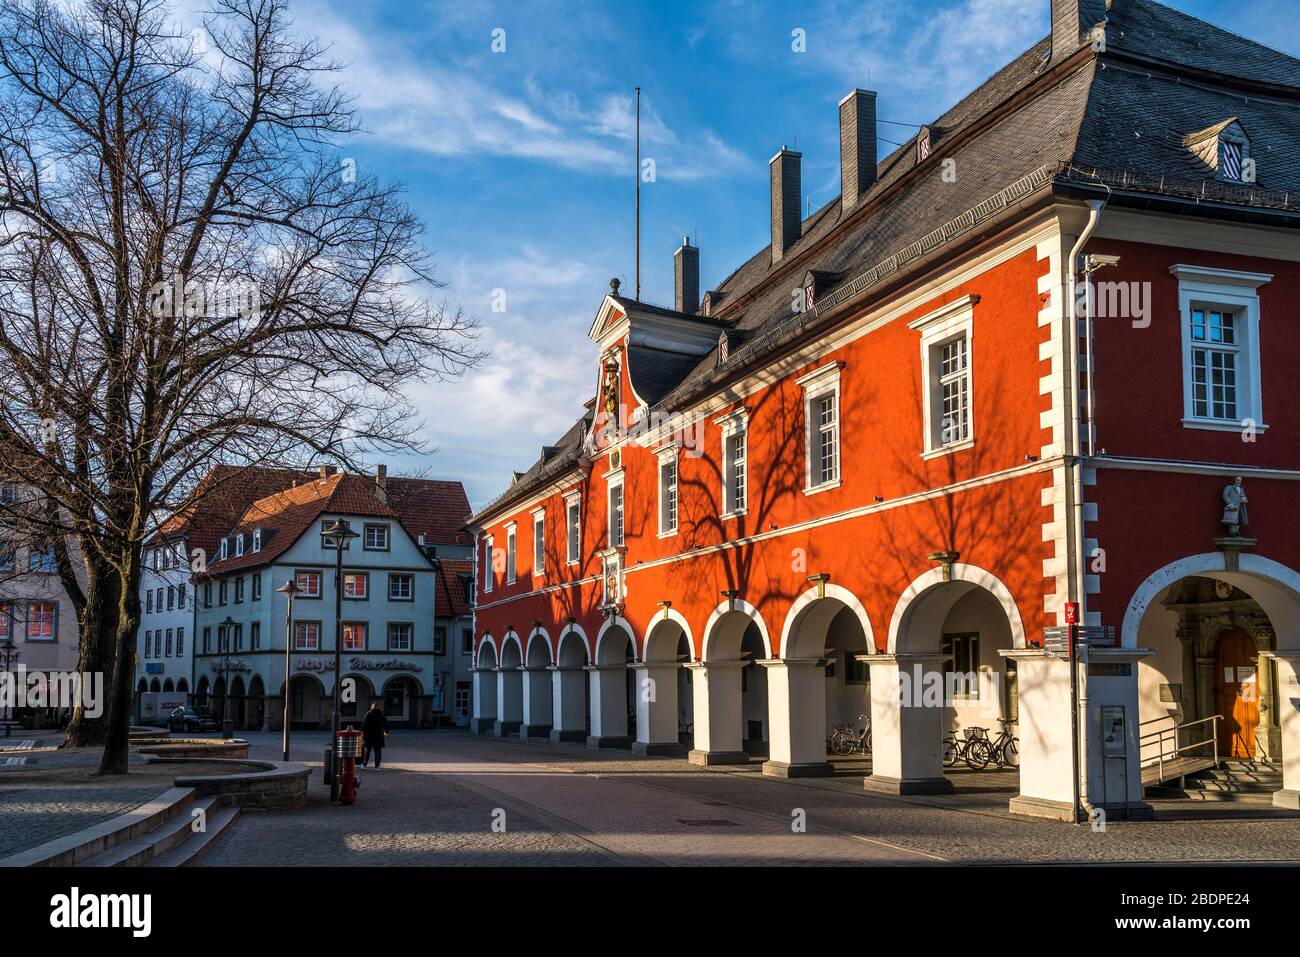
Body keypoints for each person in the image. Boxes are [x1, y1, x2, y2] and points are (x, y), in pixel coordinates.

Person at [361, 701, 390, 769]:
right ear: (378, 707)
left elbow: (364, 725)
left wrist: (362, 732)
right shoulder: (381, 714)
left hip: (369, 736)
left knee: (367, 751)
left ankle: (364, 765)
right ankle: (377, 766)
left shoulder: (368, 714)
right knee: (378, 751)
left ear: (372, 707)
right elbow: (386, 724)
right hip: (379, 736)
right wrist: (386, 731)